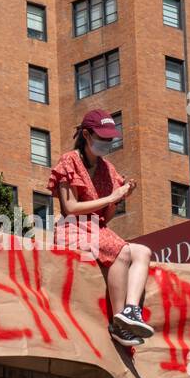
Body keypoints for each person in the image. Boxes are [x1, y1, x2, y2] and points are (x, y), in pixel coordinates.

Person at [48, 109, 154, 348]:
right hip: (73, 228)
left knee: (143, 252)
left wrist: (119, 197)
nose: (107, 143)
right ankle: (119, 323)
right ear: (86, 134)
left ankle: (132, 309)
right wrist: (111, 197)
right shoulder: (69, 160)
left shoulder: (108, 169)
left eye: (110, 138)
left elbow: (106, 217)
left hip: (99, 229)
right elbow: (70, 207)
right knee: (122, 251)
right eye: (102, 138)